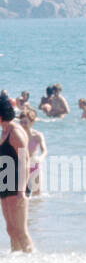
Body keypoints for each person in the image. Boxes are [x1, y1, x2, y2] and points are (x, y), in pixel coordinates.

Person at [0, 98, 34, 251]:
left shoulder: (15, 132)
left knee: (21, 231)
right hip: (5, 183)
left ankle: (32, 259)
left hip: (17, 185)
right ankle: (17, 262)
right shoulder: (4, 131)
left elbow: (24, 161)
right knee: (11, 230)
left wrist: (21, 191)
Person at [21, 110, 45, 197]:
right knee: (22, 195)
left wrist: (40, 158)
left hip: (34, 166)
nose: (23, 125)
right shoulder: (18, 135)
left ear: (32, 122)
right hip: (22, 167)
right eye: (21, 122)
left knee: (37, 196)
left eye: (25, 122)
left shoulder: (37, 135)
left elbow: (44, 151)